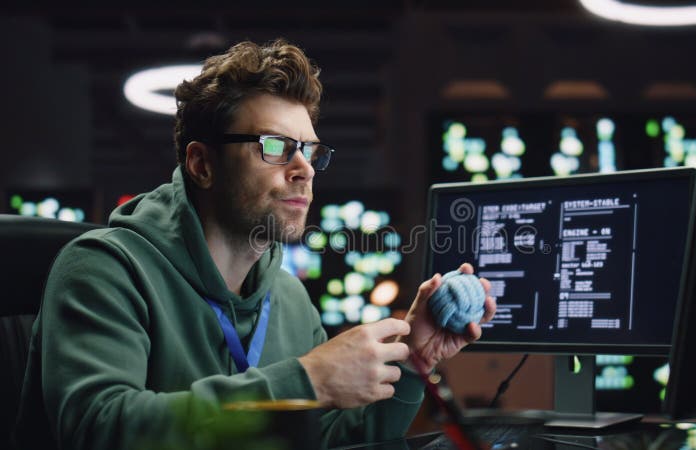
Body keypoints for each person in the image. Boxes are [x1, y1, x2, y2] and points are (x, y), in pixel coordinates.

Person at [14, 39, 496, 450]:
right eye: (274, 145)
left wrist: (412, 358)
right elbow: (99, 429)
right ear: (202, 164)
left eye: (309, 150)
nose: (303, 167)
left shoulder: (288, 298)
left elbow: (328, 440)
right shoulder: (104, 268)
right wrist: (306, 381)